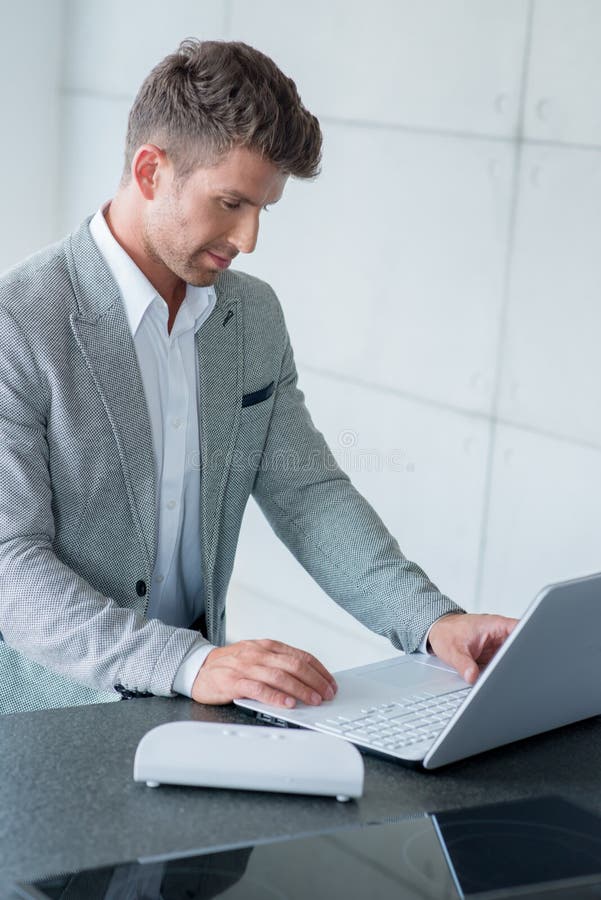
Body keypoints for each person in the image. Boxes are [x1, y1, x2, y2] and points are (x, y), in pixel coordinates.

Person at [0, 40, 516, 715]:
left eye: (262, 210)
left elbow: (307, 492)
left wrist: (429, 620)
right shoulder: (19, 324)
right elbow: (11, 562)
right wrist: (185, 661)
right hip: (50, 719)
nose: (247, 240)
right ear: (150, 169)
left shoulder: (252, 316)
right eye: (230, 203)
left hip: (193, 699)